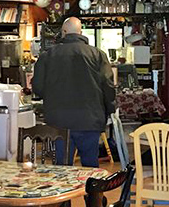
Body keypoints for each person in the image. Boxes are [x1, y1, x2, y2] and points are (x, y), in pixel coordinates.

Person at [32, 16, 115, 167]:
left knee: (62, 168)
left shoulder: (47, 55)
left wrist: (51, 98)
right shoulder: (97, 54)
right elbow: (108, 86)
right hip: (90, 118)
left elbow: (37, 87)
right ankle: (90, 183)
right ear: (81, 32)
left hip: (58, 120)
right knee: (90, 167)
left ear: (63, 32)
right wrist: (109, 110)